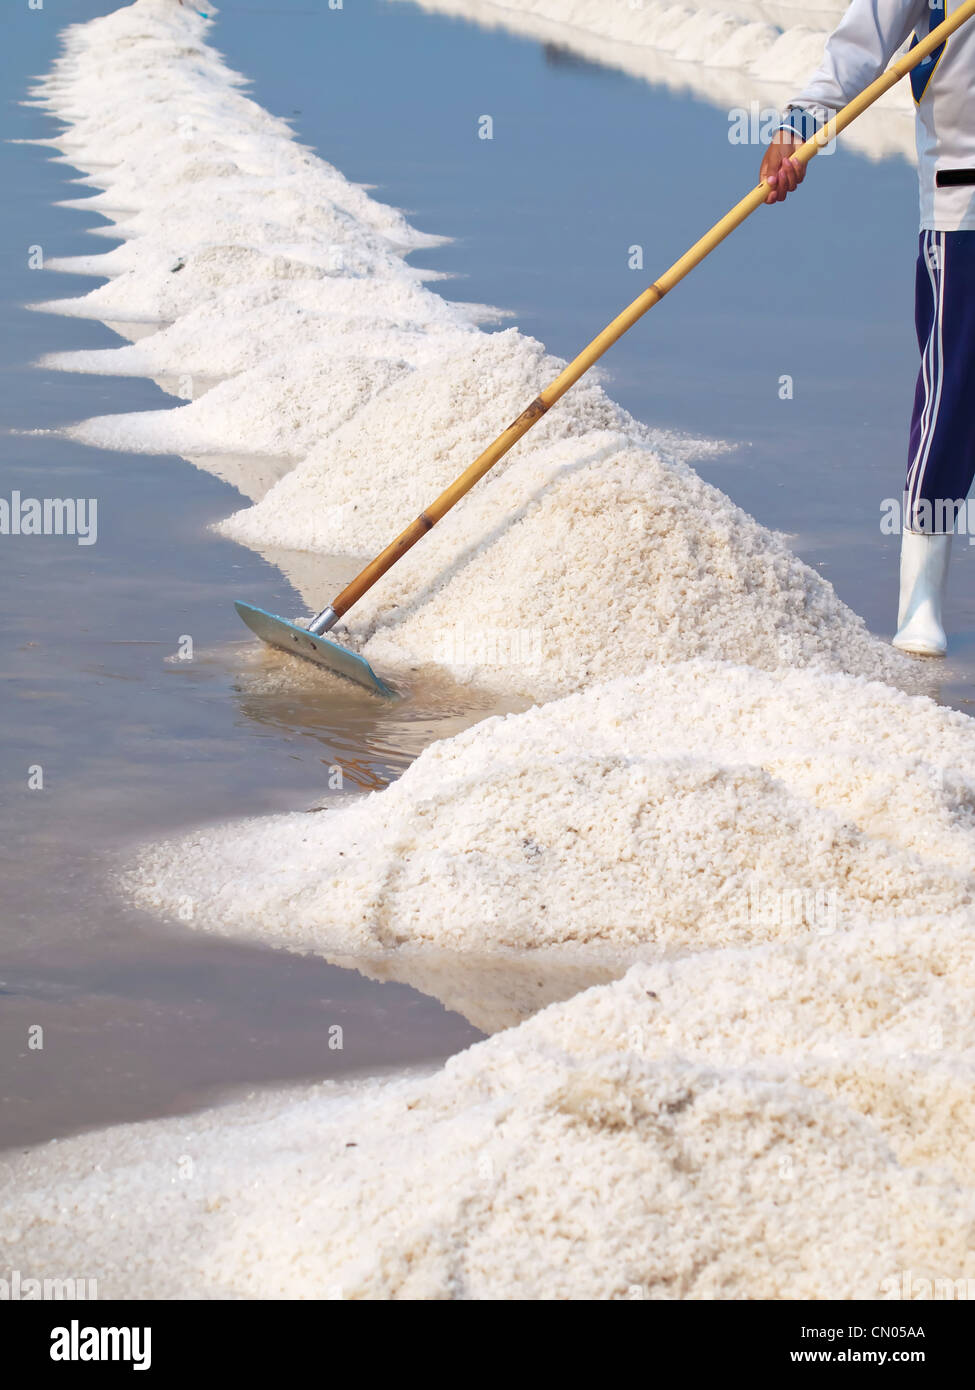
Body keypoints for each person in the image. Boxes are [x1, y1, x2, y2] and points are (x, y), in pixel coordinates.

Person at [760, 0, 975, 656]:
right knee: (955, 391)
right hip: (961, 198)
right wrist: (799, 126)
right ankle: (921, 598)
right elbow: (862, 42)